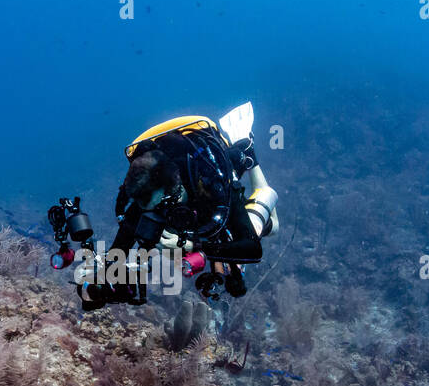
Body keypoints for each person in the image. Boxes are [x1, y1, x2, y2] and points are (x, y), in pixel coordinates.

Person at [77, 109, 279, 310]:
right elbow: (117, 253)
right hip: (193, 224)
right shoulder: (147, 198)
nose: (156, 214)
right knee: (164, 250)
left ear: (175, 190)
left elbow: (253, 249)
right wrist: (97, 286)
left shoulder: (212, 185)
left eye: (159, 207)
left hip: (216, 177)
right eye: (148, 209)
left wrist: (193, 246)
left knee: (270, 225)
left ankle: (247, 149)